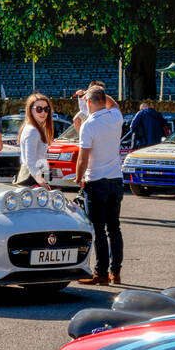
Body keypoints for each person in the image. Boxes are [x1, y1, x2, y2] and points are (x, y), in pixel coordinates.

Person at [74, 86, 124, 285]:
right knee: (114, 228)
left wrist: (78, 177)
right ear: (104, 100)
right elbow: (115, 105)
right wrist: (97, 91)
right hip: (116, 179)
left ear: (88, 103)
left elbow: (82, 158)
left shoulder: (89, 125)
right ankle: (116, 272)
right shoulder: (115, 117)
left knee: (99, 229)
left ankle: (101, 273)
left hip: (96, 181)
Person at [15, 92, 54, 188]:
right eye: (39, 109)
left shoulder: (33, 128)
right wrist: (42, 182)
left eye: (46, 109)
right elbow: (30, 161)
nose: (43, 113)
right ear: (30, 110)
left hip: (33, 176)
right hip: (31, 178)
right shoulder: (32, 130)